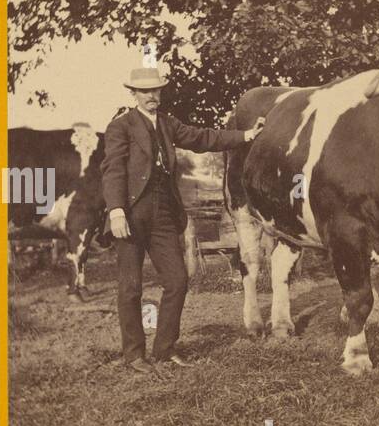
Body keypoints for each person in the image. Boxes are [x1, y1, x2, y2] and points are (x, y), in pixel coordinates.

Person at [101, 67, 264, 372]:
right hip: (131, 213)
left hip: (164, 213)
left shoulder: (167, 123)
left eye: (156, 90)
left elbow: (202, 137)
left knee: (177, 280)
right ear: (134, 94)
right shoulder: (120, 126)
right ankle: (134, 355)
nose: (151, 96)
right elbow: (113, 169)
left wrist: (245, 135)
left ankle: (164, 351)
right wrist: (116, 210)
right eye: (145, 91)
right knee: (131, 287)